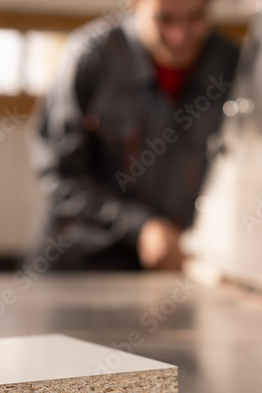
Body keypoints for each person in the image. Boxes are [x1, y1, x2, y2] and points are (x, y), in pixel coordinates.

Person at [28, 0, 238, 271]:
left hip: (181, 266)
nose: (180, 35)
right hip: (85, 264)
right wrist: (140, 226)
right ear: (133, 4)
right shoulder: (90, 57)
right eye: (165, 19)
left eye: (195, 18)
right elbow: (59, 175)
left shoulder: (232, 65)